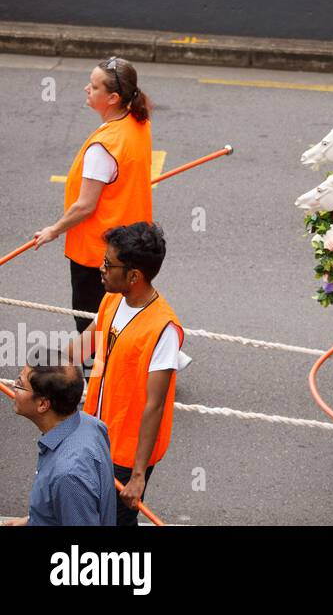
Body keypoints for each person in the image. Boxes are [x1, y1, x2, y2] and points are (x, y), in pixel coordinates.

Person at [32, 57, 153, 336]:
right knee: (124, 315)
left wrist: (54, 230)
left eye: (94, 86)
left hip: (97, 255)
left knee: (91, 326)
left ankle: (96, 376)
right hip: (134, 246)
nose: (87, 88)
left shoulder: (104, 146)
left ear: (112, 97)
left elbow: (85, 206)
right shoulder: (138, 122)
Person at [74, 222, 184, 526]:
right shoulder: (113, 298)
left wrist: (138, 476)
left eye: (109, 264)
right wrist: (38, 368)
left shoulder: (163, 329)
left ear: (134, 275)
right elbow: (85, 344)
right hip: (95, 434)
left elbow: (154, 405)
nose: (101, 268)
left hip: (125, 453)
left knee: (116, 522)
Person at [6, 350, 116, 526]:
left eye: (19, 384)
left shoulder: (68, 475)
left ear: (42, 404)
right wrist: (34, 520)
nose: (13, 387)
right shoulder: (92, 425)